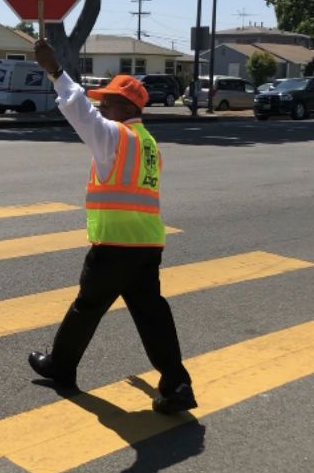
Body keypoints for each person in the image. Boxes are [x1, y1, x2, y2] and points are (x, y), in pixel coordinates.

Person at [28, 39, 197, 415]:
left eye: (108, 100)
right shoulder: (148, 142)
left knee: (87, 306)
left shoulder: (114, 136)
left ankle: (61, 366)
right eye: (102, 99)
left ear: (127, 107)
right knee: (151, 314)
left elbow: (79, 111)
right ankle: (177, 383)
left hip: (116, 245)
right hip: (146, 245)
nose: (102, 104)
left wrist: (55, 71)